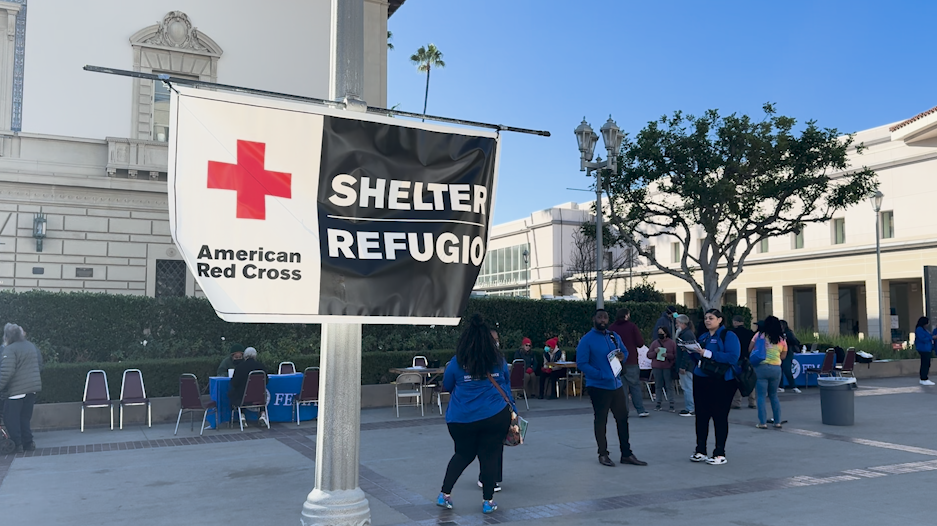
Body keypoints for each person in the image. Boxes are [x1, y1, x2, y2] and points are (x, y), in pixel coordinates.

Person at [438, 314, 514, 515]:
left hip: (461, 418)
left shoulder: (457, 362)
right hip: (495, 415)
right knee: (490, 457)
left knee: (462, 454)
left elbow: (447, 385)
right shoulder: (498, 360)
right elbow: (505, 382)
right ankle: (488, 501)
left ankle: (445, 494)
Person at [576, 309, 647, 468]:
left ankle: (626, 453)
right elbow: (581, 363)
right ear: (593, 319)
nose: (602, 320)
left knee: (622, 419)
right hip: (598, 386)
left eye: (605, 317)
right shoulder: (587, 340)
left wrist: (623, 356)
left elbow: (625, 351)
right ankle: (603, 454)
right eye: (600, 317)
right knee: (601, 420)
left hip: (617, 385)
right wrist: (600, 374)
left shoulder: (614, 336)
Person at [688, 309, 740, 465]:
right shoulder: (703, 337)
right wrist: (691, 351)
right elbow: (698, 356)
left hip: (721, 380)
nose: (707, 321)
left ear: (720, 320)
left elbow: (733, 356)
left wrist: (709, 354)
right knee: (701, 416)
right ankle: (700, 449)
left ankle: (719, 452)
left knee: (719, 416)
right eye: (705, 318)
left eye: (711, 318)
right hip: (701, 378)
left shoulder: (728, 336)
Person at [0, 323, 42, 453]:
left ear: (7, 336)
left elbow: (6, 373)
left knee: (10, 419)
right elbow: (39, 365)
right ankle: (28, 443)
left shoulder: (10, 350)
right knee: (24, 418)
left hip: (16, 392)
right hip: (32, 389)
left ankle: (17, 444)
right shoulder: (31, 346)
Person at [609, 308, 649, 417]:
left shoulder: (611, 328)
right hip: (631, 360)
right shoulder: (632, 327)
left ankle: (623, 411)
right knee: (635, 386)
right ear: (626, 316)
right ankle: (640, 410)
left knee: (621, 388)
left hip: (616, 361)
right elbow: (640, 343)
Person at [750, 316, 786, 429]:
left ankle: (762, 422)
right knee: (774, 395)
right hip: (776, 368)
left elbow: (750, 348)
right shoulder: (781, 338)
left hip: (761, 367)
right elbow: (784, 355)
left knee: (760, 396)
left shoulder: (759, 335)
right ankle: (777, 421)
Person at [229, 347, 266, 423]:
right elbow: (266, 382)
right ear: (255, 356)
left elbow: (234, 383)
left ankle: (242, 416)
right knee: (261, 393)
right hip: (259, 398)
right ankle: (263, 414)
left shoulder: (240, 367)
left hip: (243, 398)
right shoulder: (261, 366)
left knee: (235, 393)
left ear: (245, 356)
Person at [647, 326, 676, 412]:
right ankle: (658, 403)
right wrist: (655, 352)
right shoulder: (655, 343)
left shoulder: (671, 343)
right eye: (659, 333)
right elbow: (648, 355)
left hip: (667, 367)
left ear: (666, 333)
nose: (659, 334)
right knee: (658, 386)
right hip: (657, 366)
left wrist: (668, 355)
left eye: (661, 333)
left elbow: (675, 355)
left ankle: (671, 403)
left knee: (669, 385)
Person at [730, 315, 756, 409]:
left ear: (735, 322)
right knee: (749, 378)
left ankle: (737, 402)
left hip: (737, 359)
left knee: (738, 379)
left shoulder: (732, 333)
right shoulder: (750, 333)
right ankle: (752, 401)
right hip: (748, 358)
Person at [674, 314, 696, 416]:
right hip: (688, 365)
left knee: (687, 387)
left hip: (687, 366)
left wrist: (683, 366)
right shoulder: (687, 334)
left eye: (677, 323)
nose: (676, 325)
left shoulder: (686, 335)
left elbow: (687, 352)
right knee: (687, 387)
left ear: (682, 323)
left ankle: (690, 408)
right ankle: (690, 407)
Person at [778, 320, 802, 393]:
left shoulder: (788, 333)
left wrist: (787, 338)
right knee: (780, 369)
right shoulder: (778, 333)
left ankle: (793, 386)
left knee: (787, 369)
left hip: (788, 352)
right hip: (779, 352)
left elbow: (796, 342)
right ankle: (780, 386)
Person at [914, 317, 937, 386]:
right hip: (923, 349)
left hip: (927, 348)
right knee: (925, 364)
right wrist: (932, 338)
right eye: (927, 323)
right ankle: (924, 378)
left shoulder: (925, 330)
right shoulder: (919, 329)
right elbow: (923, 338)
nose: (928, 324)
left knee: (926, 363)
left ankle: (924, 378)